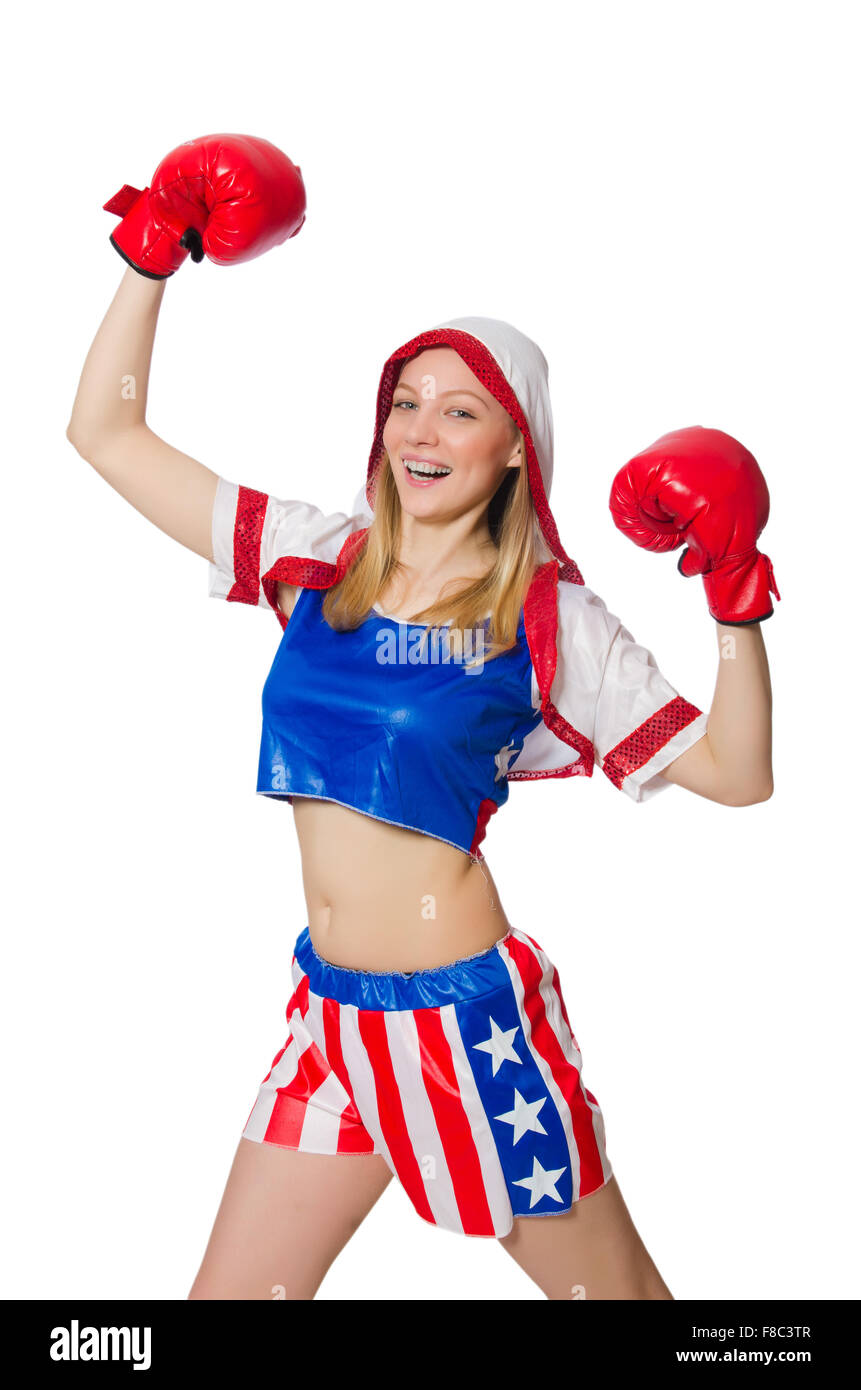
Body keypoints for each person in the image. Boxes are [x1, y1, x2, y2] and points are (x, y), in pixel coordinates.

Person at [67, 137, 776, 1301]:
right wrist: (156, 248)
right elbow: (108, 435)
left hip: (467, 1026)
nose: (421, 434)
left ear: (513, 451)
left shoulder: (548, 617)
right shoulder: (314, 559)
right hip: (328, 1015)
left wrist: (736, 597)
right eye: (406, 403)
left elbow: (737, 773)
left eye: (460, 413)